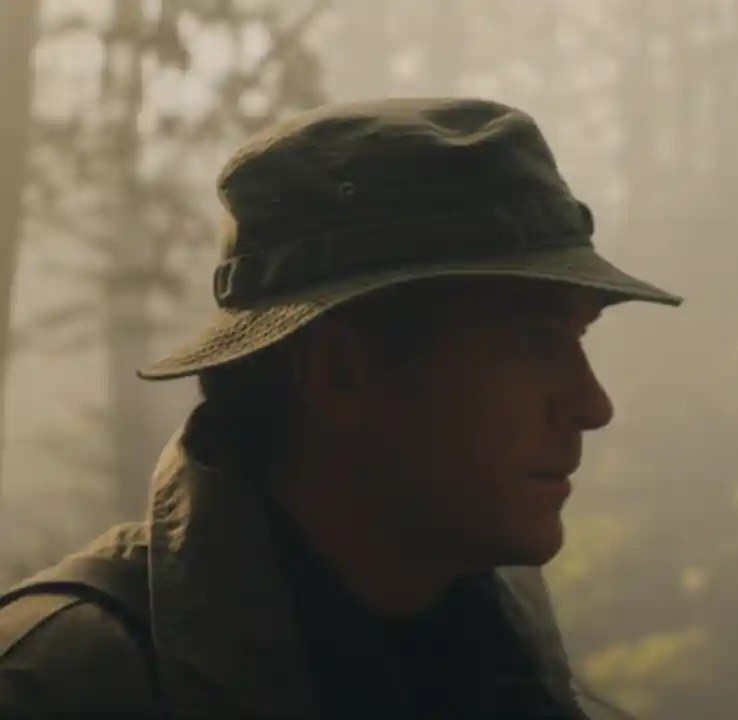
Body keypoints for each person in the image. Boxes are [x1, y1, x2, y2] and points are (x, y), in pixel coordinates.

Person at [0, 97, 682, 718]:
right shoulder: (58, 686)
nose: (593, 406)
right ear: (342, 371)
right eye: (533, 341)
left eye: (578, 338)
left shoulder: (509, 674)